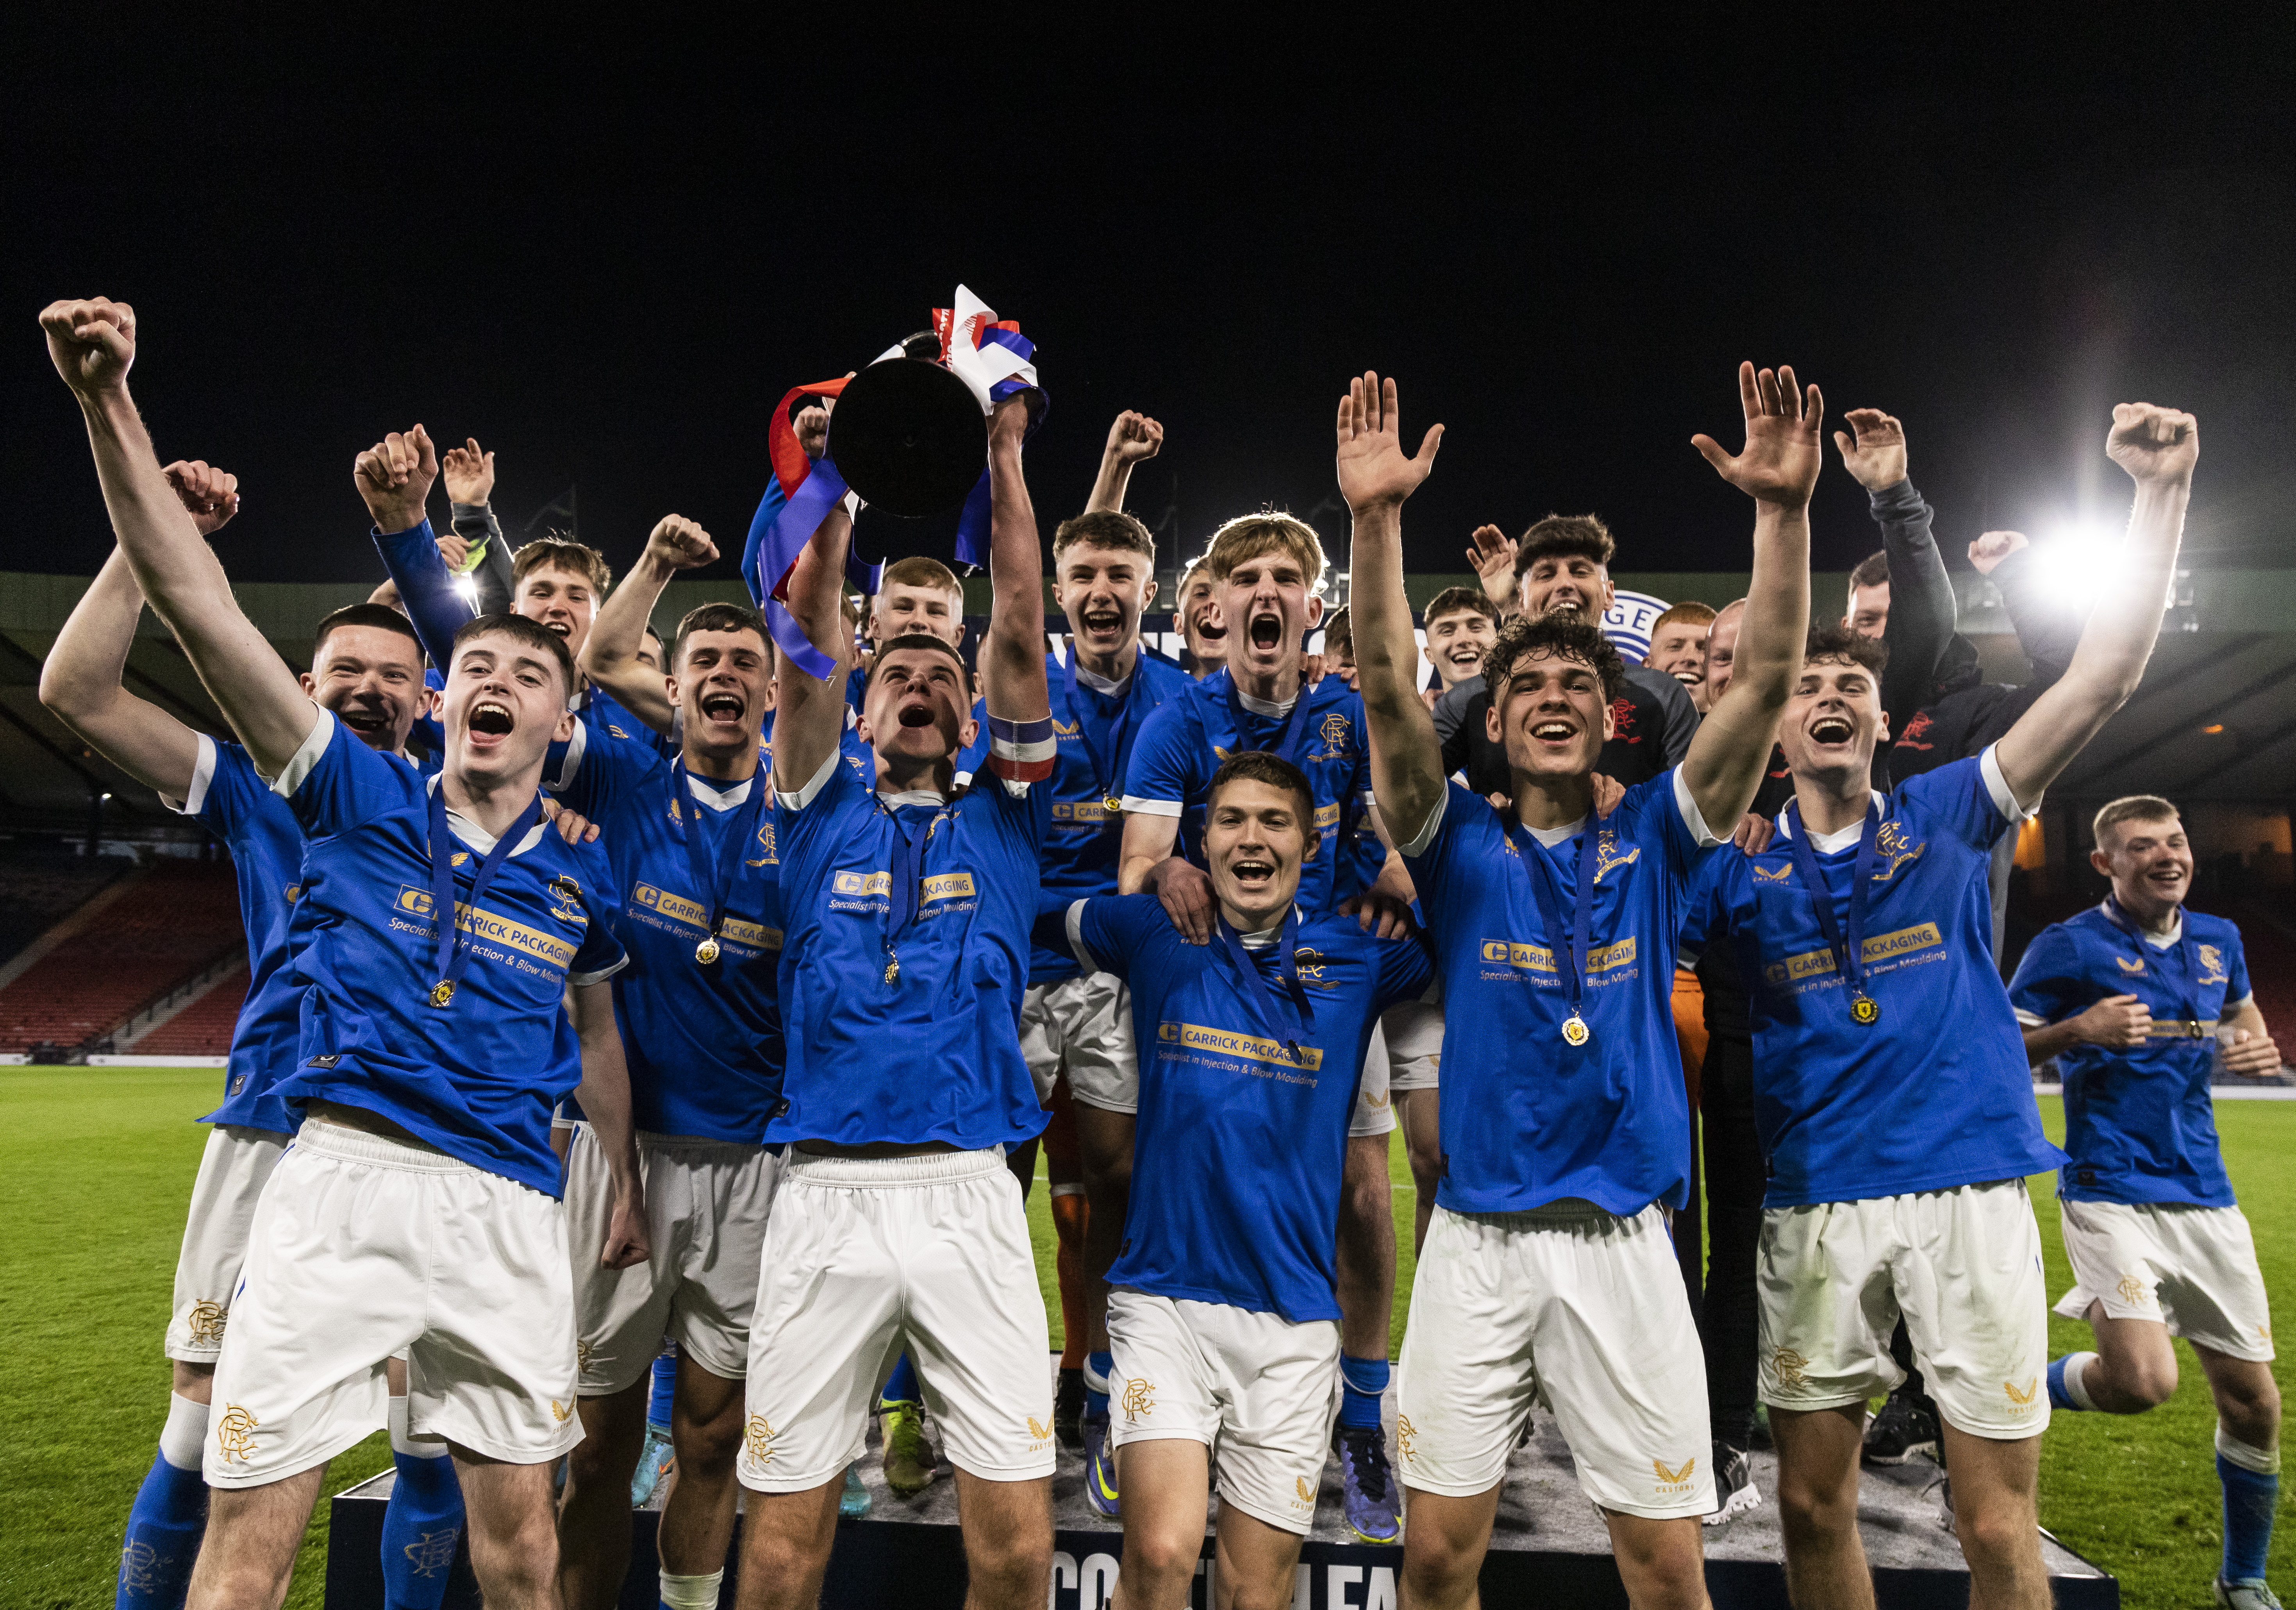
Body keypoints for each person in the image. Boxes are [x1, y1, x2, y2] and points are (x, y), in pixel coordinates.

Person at [41, 296, 648, 1610]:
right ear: (448, 697)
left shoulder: (581, 859)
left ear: (554, 715)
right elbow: (196, 607)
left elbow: (597, 1035)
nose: (486, 676)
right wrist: (108, 404)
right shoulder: (341, 793)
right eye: (469, 657)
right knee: (239, 1511)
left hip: (503, 1201)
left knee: (518, 1543)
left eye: (519, 670)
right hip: (326, 1163)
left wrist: (628, 1182)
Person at [1699, 400, 2200, 1610]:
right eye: (1803, 679)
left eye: (1850, 683)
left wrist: (2158, 494)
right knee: (1812, 1508)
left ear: (1881, 720)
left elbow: (2104, 676)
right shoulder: (1729, 866)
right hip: (1813, 1199)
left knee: (1991, 1521)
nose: (1827, 691)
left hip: (1967, 1188)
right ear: (1771, 722)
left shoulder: (1946, 814)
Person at [1350, 362, 1813, 1610]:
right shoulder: (1454, 847)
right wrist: (1376, 520)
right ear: (1493, 727)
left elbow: (1763, 683)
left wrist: (1781, 516)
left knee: (1665, 1569)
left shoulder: (1660, 836)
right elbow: (1390, 690)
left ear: (1612, 722)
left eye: (1575, 689)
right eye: (1526, 691)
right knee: (1438, 1559)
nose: (1553, 700)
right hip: (1480, 1247)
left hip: (1624, 1245)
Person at [37, 464, 470, 1610]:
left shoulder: (471, 806)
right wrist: (151, 539)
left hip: (414, 1144)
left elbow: (516, 655)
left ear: (430, 699)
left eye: (397, 675)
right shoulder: (251, 785)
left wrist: (450, 534)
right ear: (298, 687)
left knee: (419, 1432)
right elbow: (77, 690)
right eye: (349, 674)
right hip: (270, 1130)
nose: (374, 690)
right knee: (196, 1426)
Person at [732, 389, 1055, 1610]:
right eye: (895, 672)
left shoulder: (1009, 820)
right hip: (821, 1195)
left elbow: (1019, 619)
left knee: (1017, 1550)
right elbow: (806, 631)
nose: (918, 683)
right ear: (858, 711)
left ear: (972, 719)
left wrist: (1008, 457)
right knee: (781, 1547)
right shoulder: (814, 804)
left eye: (941, 676)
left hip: (970, 1190)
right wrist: (825, 493)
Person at [1055, 752, 1434, 1609]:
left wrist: (1403, 882)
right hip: (1163, 1304)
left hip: (1296, 1327)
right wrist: (1151, 870)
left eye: (1273, 822)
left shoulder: (1361, 956)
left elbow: (1482, 934)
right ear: (1203, 840)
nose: (1251, 837)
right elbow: (1029, 913)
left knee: (1254, 1596)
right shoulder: (1149, 933)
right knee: (1156, 1554)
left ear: (1308, 843)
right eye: (1230, 821)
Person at [1116, 510, 1417, 1544]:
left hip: (1327, 977)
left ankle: (1364, 1417)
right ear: (1214, 603)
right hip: (1200, 968)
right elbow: (1133, 866)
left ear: (1311, 606)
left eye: (1286, 576)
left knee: (1362, 1188)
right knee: (1140, 1165)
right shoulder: (1176, 718)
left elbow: (1401, 849)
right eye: (1244, 575)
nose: (1264, 591)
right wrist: (1169, 867)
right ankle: (1129, 1390)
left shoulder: (1347, 719)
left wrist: (1389, 892)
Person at [541, 512, 786, 1610]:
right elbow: (593, 657)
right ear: (672, 687)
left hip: (752, 1164)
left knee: (712, 1433)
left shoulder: (809, 809)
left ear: (772, 693)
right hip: (621, 1159)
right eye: (704, 663)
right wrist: (650, 564)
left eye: (745, 662)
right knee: (594, 1441)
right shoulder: (624, 783)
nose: (725, 676)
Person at [2012, 796, 2283, 1610]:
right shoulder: (2066, 946)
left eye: (2174, 842)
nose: (2166, 857)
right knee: (2140, 1382)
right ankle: (2007, 1389)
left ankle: (2240, 1580)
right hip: (2108, 1188)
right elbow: (1992, 1043)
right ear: (2105, 864)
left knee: (2254, 1406)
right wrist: (2075, 1031)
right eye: (2142, 848)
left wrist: (2253, 1046)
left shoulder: (2219, 941)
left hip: (2204, 1193)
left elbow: (2241, 1020)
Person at [1016, 502, 1194, 1455]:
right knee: (993, 1180)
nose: (1100, 591)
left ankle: (1098, 1371)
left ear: (1146, 590)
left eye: (1118, 574)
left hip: (1121, 973)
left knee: (1114, 1180)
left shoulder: (1179, 695)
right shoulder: (1022, 687)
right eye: (1082, 574)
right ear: (1058, 590)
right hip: (1025, 967)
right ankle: (985, 1376)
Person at [1438, 514, 1700, 796]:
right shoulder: (1468, 701)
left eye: (1580, 571)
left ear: (1609, 594)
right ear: (1522, 598)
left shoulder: (1664, 696)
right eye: (1546, 574)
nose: (1564, 584)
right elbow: (1404, 800)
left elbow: (1695, 808)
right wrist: (1478, 823)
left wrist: (1632, 817)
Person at [1644, 601, 1717, 714]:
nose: (1689, 658)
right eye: (1675, 647)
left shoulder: (1749, 731)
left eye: (1705, 649)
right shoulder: (1612, 728)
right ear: (1647, 668)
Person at [1171, 555, 1227, 680]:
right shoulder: (1159, 698)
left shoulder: (1273, 697)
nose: (1213, 603)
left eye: (1224, 594)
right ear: (1179, 624)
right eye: (1201, 594)